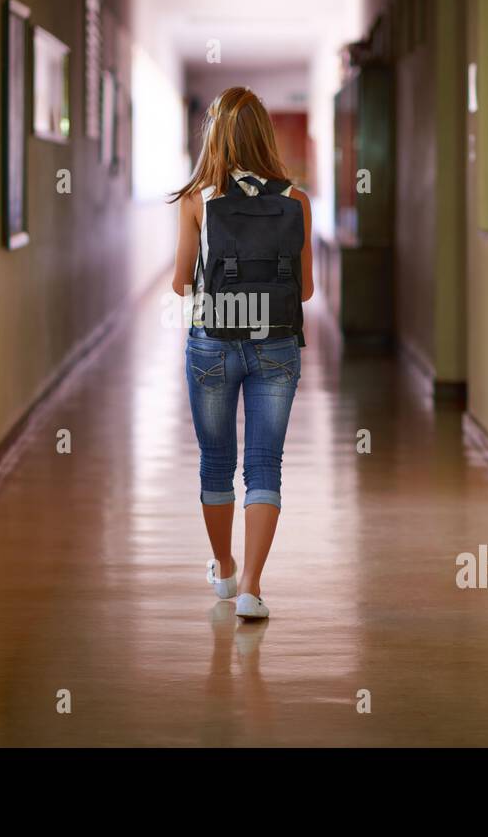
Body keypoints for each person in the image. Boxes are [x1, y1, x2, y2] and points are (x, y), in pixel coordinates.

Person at [169, 86, 313, 621]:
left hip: (213, 343)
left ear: (215, 136)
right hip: (276, 344)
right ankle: (253, 587)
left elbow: (182, 282)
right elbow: (305, 291)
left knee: (215, 463)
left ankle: (224, 569)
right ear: (265, 135)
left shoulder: (197, 200)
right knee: (264, 465)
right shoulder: (296, 200)